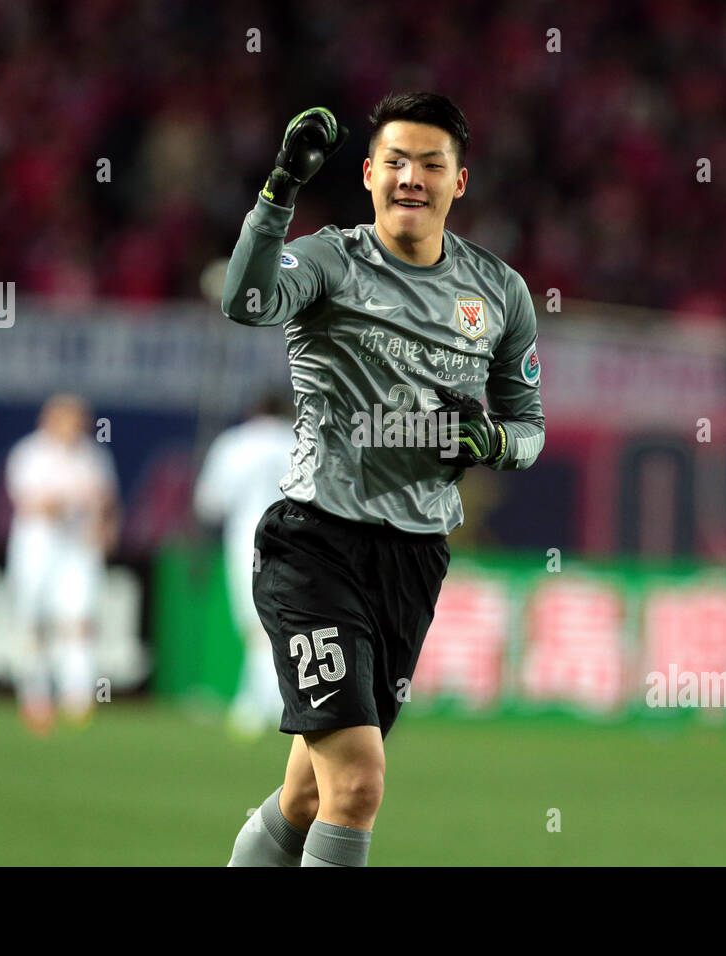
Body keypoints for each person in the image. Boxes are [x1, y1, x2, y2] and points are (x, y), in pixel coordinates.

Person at [221, 93, 545, 865]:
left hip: (413, 558)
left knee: (308, 795)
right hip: (314, 544)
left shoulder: (499, 293)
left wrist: (492, 439)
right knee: (360, 782)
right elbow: (245, 300)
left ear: (458, 182)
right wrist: (279, 193)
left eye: (432, 164)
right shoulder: (331, 259)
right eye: (396, 162)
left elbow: (529, 429)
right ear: (368, 175)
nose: (412, 177)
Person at [4, 394, 120, 735]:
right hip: (38, 546)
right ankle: (35, 697)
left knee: (78, 620)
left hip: (77, 548)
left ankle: (77, 697)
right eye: (67, 419)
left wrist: (104, 526)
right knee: (32, 623)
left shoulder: (93, 457)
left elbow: (106, 502)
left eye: (78, 420)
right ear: (49, 420)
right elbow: (35, 503)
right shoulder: (30, 453)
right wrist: (74, 500)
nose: (74, 427)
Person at [193, 392, 296, 740]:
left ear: (254, 409)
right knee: (285, 624)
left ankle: (255, 709)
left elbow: (210, 503)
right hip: (297, 538)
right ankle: (271, 704)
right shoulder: (299, 439)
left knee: (258, 628)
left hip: (247, 539)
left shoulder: (234, 443)